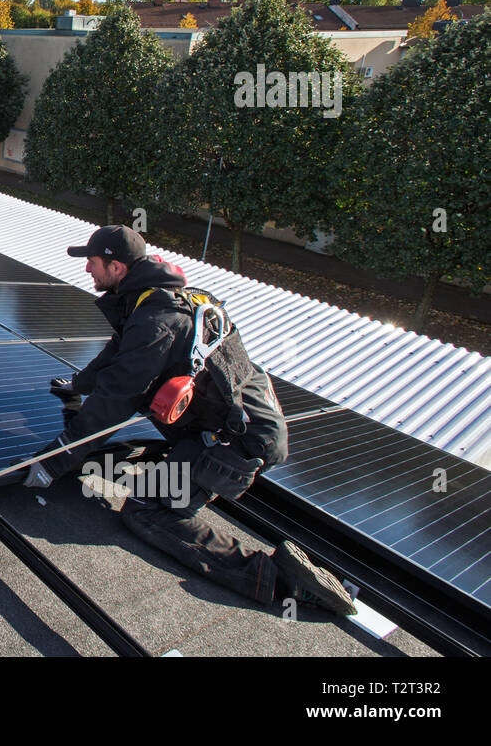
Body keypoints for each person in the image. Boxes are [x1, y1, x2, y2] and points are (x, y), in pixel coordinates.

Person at [27, 225, 357, 617]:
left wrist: (52, 462)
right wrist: (78, 383)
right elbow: (118, 354)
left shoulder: (157, 323)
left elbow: (114, 400)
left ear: (116, 266)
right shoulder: (161, 299)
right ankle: (186, 466)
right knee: (149, 400)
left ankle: (279, 578)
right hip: (227, 424)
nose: (88, 271)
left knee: (145, 509)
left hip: (234, 445)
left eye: (93, 263)